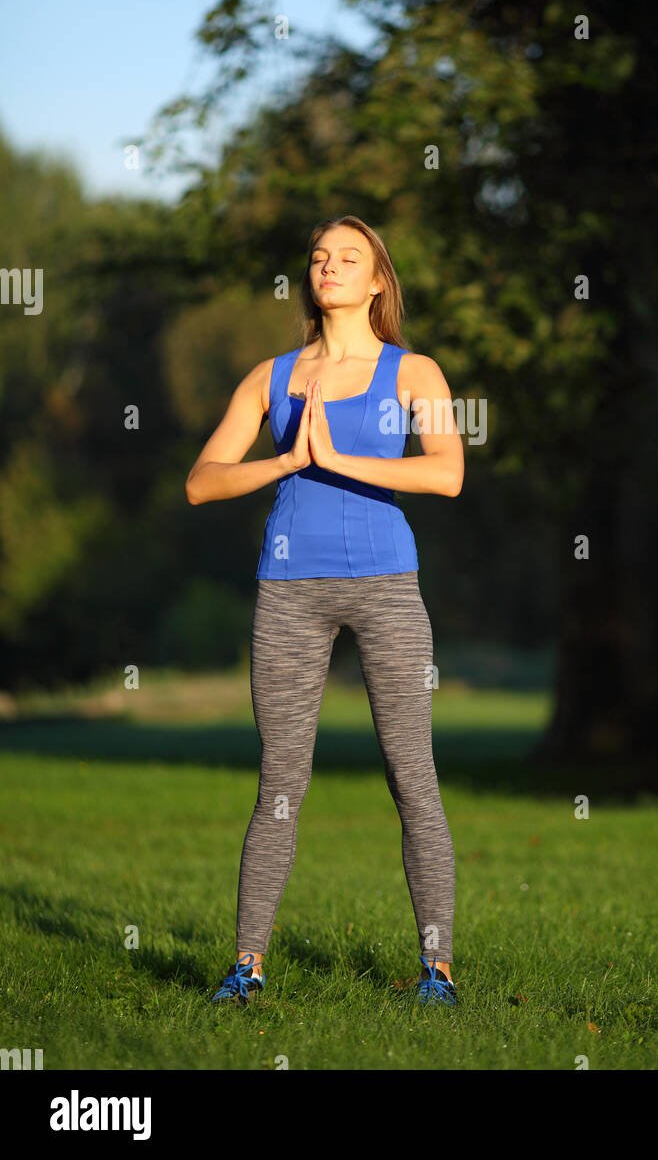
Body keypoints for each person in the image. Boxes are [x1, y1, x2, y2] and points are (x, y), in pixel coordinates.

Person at [185, 214, 464, 1007]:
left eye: (350, 258)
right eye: (319, 258)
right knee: (280, 781)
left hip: (387, 586)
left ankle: (436, 972)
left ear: (378, 281)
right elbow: (202, 480)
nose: (329, 267)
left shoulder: (414, 372)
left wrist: (339, 458)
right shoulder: (272, 377)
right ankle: (246, 969)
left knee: (413, 777)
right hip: (288, 592)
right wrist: (285, 460)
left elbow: (446, 473)